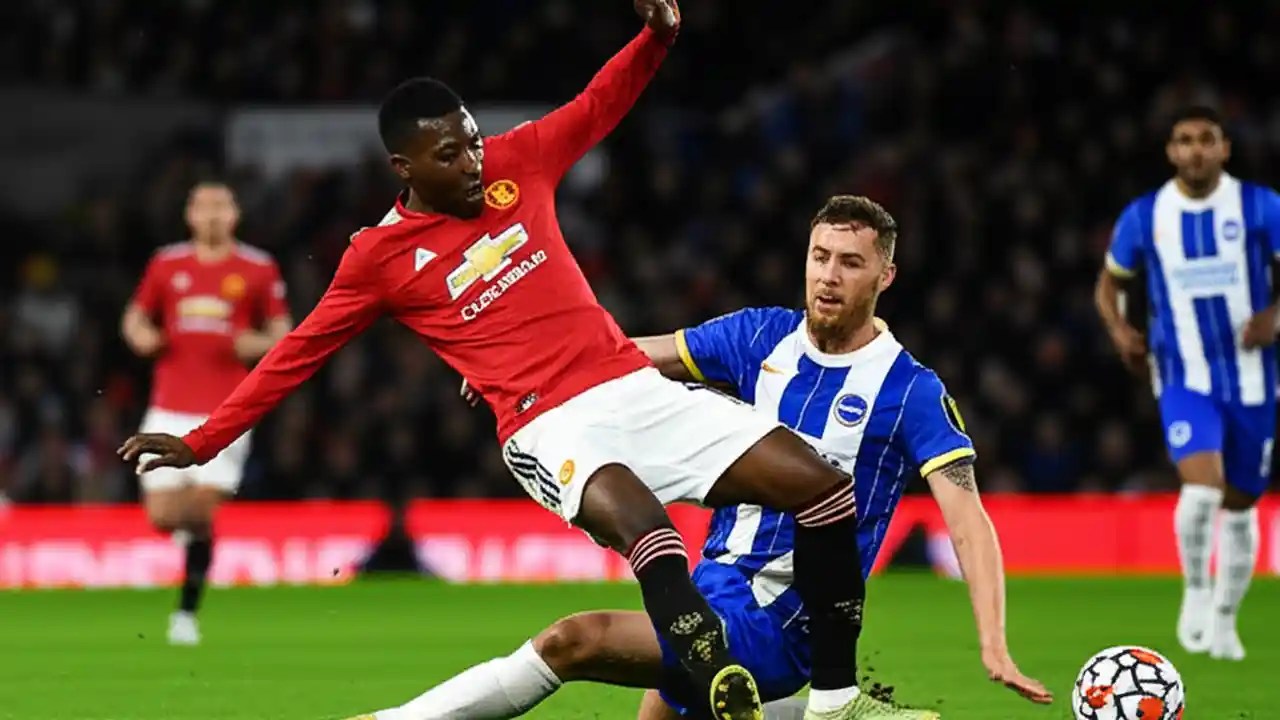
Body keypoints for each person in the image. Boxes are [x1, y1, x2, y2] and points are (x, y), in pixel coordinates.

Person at [119, 5, 917, 718]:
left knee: (822, 490)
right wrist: (203, 441)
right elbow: (298, 353)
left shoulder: (515, 162)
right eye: (449, 154)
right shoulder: (377, 258)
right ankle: (715, 678)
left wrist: (655, 38)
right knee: (647, 528)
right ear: (406, 169)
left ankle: (836, 702)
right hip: (545, 424)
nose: (472, 162)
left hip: (631, 385)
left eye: (470, 141)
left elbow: (596, 107)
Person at [358, 196, 1051, 720]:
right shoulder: (761, 337)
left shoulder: (910, 391)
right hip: (707, 591)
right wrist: (516, 368)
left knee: (576, 640)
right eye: (820, 257)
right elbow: (623, 357)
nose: (830, 276)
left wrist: (993, 641)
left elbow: (967, 519)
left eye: (851, 262)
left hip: (782, 624)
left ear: (885, 276)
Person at [1095, 105, 1280, 661]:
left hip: (1253, 380)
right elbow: (1110, 283)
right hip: (1182, 374)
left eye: (1206, 140)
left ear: (1225, 148)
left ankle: (1226, 617)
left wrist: (1275, 315)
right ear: (1171, 151)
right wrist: (1120, 329)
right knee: (1201, 491)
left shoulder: (1260, 206)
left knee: (1242, 504)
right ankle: (1197, 591)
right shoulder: (1146, 215)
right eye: (1184, 140)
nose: (1195, 150)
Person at [120, 180, 292, 645]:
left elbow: (283, 332)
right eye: (203, 206)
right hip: (168, 408)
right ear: (189, 215)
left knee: (200, 509)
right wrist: (141, 337)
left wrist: (252, 344)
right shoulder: (167, 264)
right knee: (161, 517)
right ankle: (193, 547)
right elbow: (135, 316)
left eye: (221, 206)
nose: (213, 214)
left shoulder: (256, 268)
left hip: (226, 414)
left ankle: (186, 612)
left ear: (235, 214)